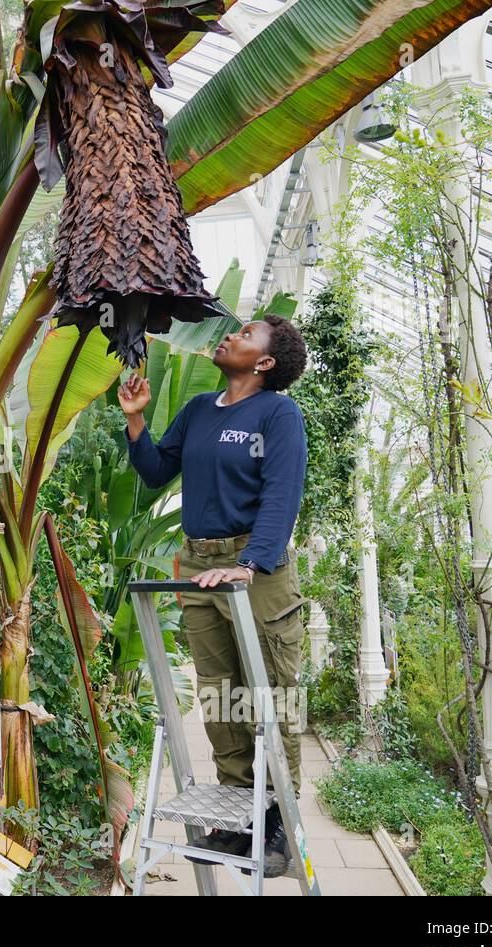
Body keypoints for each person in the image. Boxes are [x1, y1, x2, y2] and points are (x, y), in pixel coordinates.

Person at [119, 314, 309, 878]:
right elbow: (155, 471)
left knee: (270, 694)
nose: (229, 336)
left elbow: (282, 494)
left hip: (256, 566)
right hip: (199, 565)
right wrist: (136, 424)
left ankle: (276, 820)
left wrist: (249, 566)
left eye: (245, 335)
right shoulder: (200, 409)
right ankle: (235, 813)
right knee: (219, 694)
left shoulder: (278, 414)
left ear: (265, 362)